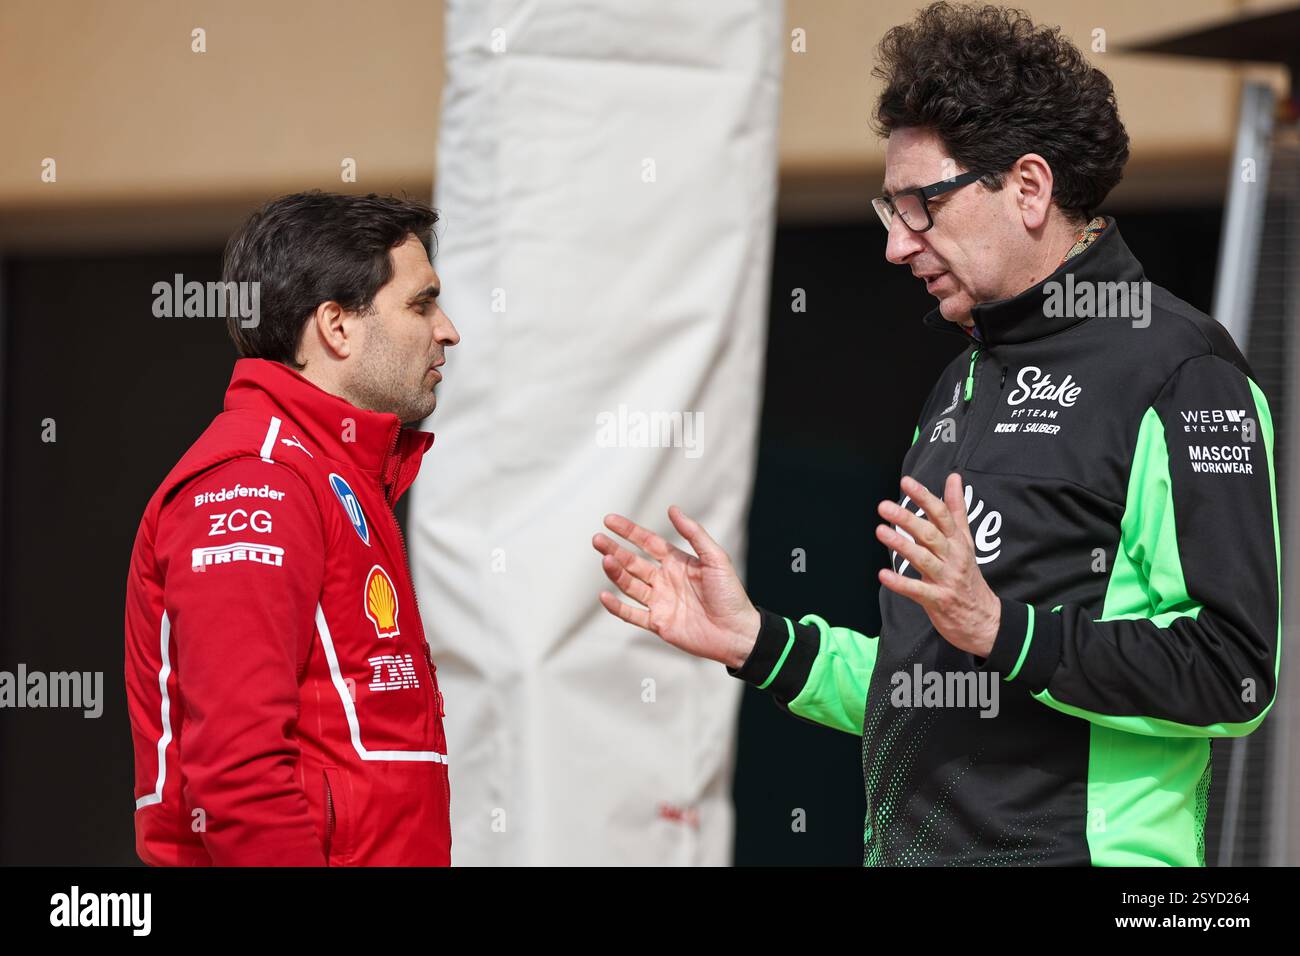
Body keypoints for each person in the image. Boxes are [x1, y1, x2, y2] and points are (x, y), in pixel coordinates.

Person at [592, 2, 1282, 865]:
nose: (896, 245)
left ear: (1028, 188)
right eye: (891, 208)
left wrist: (1006, 631)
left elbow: (1234, 674)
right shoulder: (963, 378)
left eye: (922, 205)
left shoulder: (1182, 372)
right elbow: (935, 682)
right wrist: (761, 645)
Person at [124, 191, 460, 865]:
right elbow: (237, 777)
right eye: (421, 303)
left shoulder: (336, 476)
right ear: (336, 326)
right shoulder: (258, 482)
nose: (447, 330)